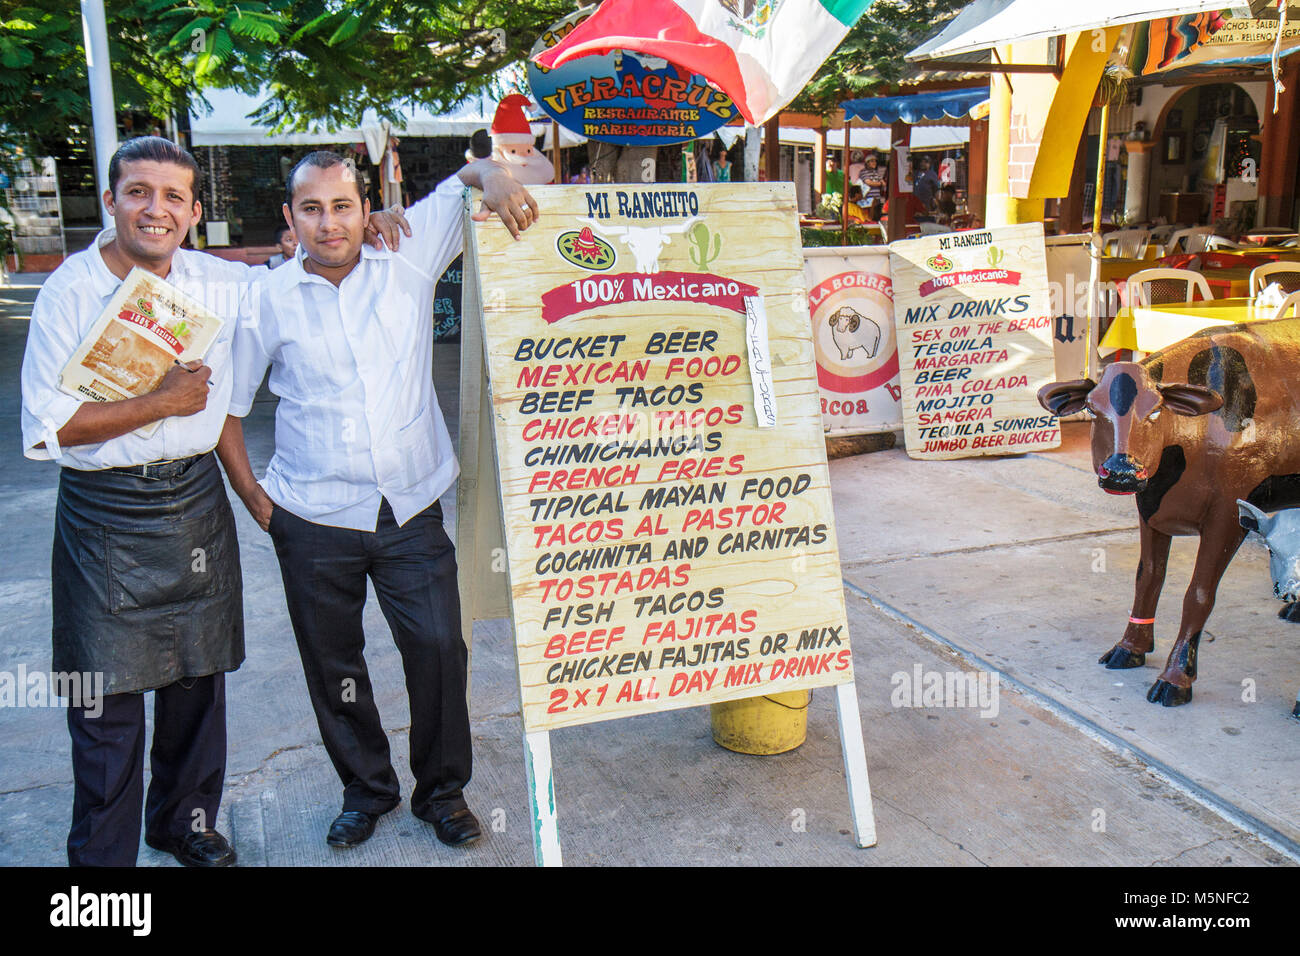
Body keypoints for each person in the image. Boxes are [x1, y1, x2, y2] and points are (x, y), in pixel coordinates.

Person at [19, 136, 411, 868]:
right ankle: (102, 869)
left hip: (194, 498)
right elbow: (49, 430)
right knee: (107, 703)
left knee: (200, 680)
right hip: (106, 513)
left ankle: (184, 822)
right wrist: (160, 400)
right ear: (111, 203)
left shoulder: (218, 282)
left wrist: (373, 223)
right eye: (138, 192)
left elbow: (311, 267)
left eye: (173, 196)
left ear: (195, 211)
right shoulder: (69, 291)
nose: (155, 209)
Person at [217, 150, 538, 851]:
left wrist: (497, 175)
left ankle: (442, 791)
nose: (328, 223)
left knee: (437, 650)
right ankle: (366, 789)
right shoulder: (265, 300)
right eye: (311, 208)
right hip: (311, 517)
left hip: (410, 507)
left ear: (368, 208)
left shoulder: (408, 255)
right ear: (289, 218)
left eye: (342, 205)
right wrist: (255, 498)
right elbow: (227, 405)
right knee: (336, 667)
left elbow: (486, 172)